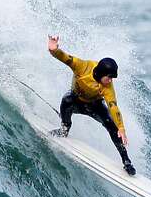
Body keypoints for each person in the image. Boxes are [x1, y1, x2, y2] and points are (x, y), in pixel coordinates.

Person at [47, 35, 136, 175]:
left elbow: (113, 106)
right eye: (110, 77)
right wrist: (53, 50)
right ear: (101, 73)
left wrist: (121, 128)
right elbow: (66, 58)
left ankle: (126, 160)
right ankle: (64, 129)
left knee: (112, 126)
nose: (111, 80)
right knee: (66, 101)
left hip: (95, 106)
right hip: (76, 101)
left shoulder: (107, 87)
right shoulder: (83, 67)